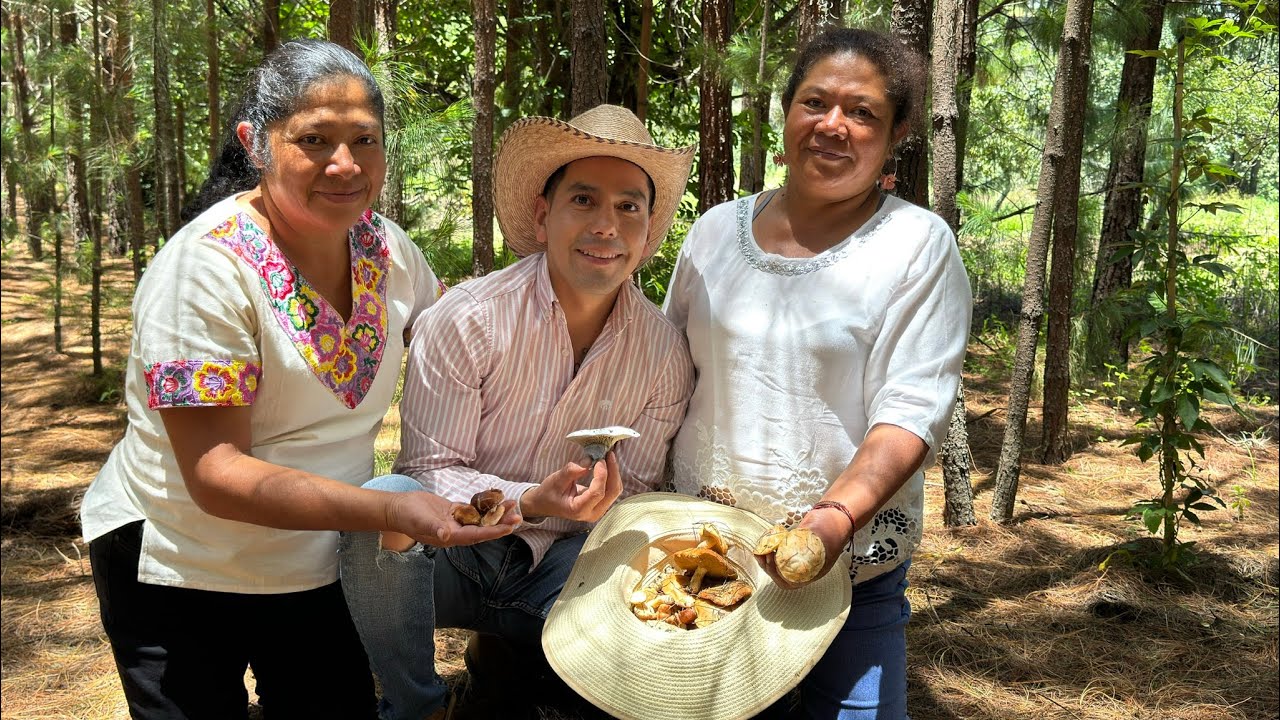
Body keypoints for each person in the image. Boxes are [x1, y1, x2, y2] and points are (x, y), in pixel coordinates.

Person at [80, 39, 517, 720]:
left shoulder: (386, 249)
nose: (344, 164)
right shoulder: (204, 273)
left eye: (363, 140)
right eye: (314, 139)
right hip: (181, 563)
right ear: (256, 143)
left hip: (316, 560)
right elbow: (216, 471)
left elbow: (459, 343)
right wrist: (391, 511)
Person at [338, 104, 696, 720]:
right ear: (542, 214)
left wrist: (606, 504)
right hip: (451, 555)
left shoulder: (664, 352)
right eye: (583, 200)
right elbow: (428, 470)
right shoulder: (468, 318)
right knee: (382, 503)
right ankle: (417, 705)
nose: (606, 225)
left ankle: (540, 677)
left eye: (628, 206)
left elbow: (637, 491)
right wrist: (530, 499)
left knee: (656, 590)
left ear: (647, 227)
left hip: (563, 568)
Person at [663, 28, 972, 718]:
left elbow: (912, 410)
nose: (833, 126)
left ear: (893, 136)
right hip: (711, 559)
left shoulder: (915, 247)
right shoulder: (715, 231)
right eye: (815, 102)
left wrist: (832, 522)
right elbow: (665, 370)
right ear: (786, 113)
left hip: (852, 569)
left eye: (862, 112)